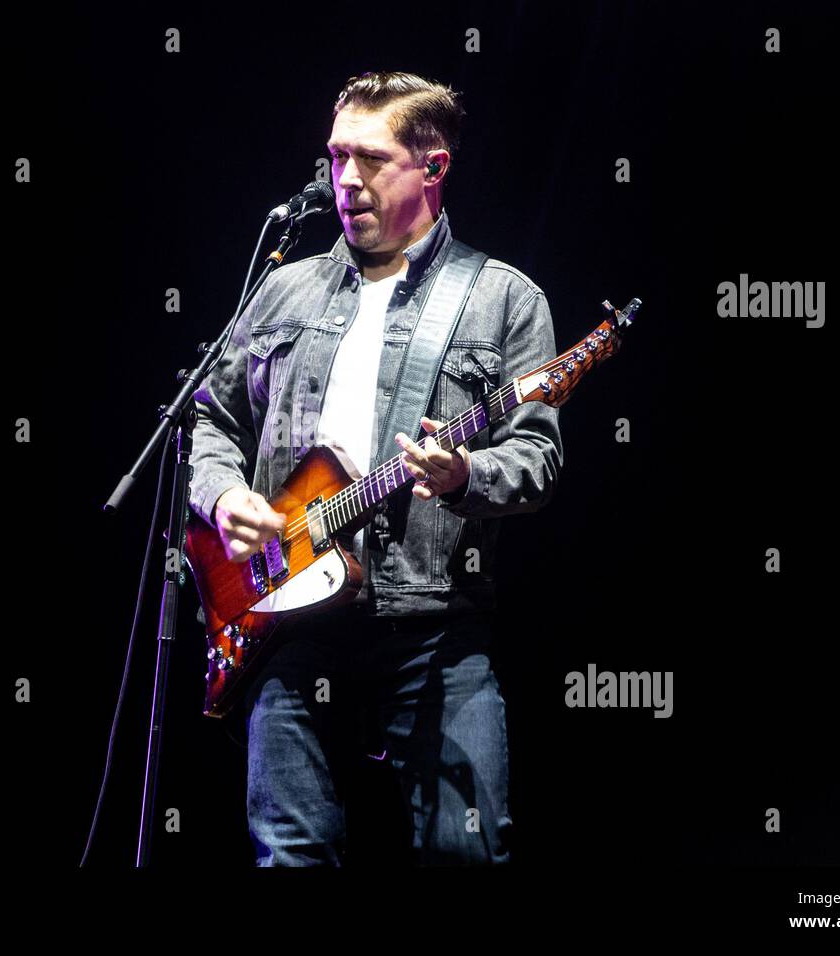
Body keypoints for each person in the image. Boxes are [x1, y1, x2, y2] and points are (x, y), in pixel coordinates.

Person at [190, 71, 563, 865]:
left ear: (433, 168)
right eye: (335, 157)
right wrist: (223, 497)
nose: (345, 180)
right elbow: (212, 418)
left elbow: (537, 458)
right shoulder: (283, 289)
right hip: (285, 624)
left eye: (370, 158)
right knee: (291, 857)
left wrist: (465, 476)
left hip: (434, 630)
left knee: (467, 852)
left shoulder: (502, 299)